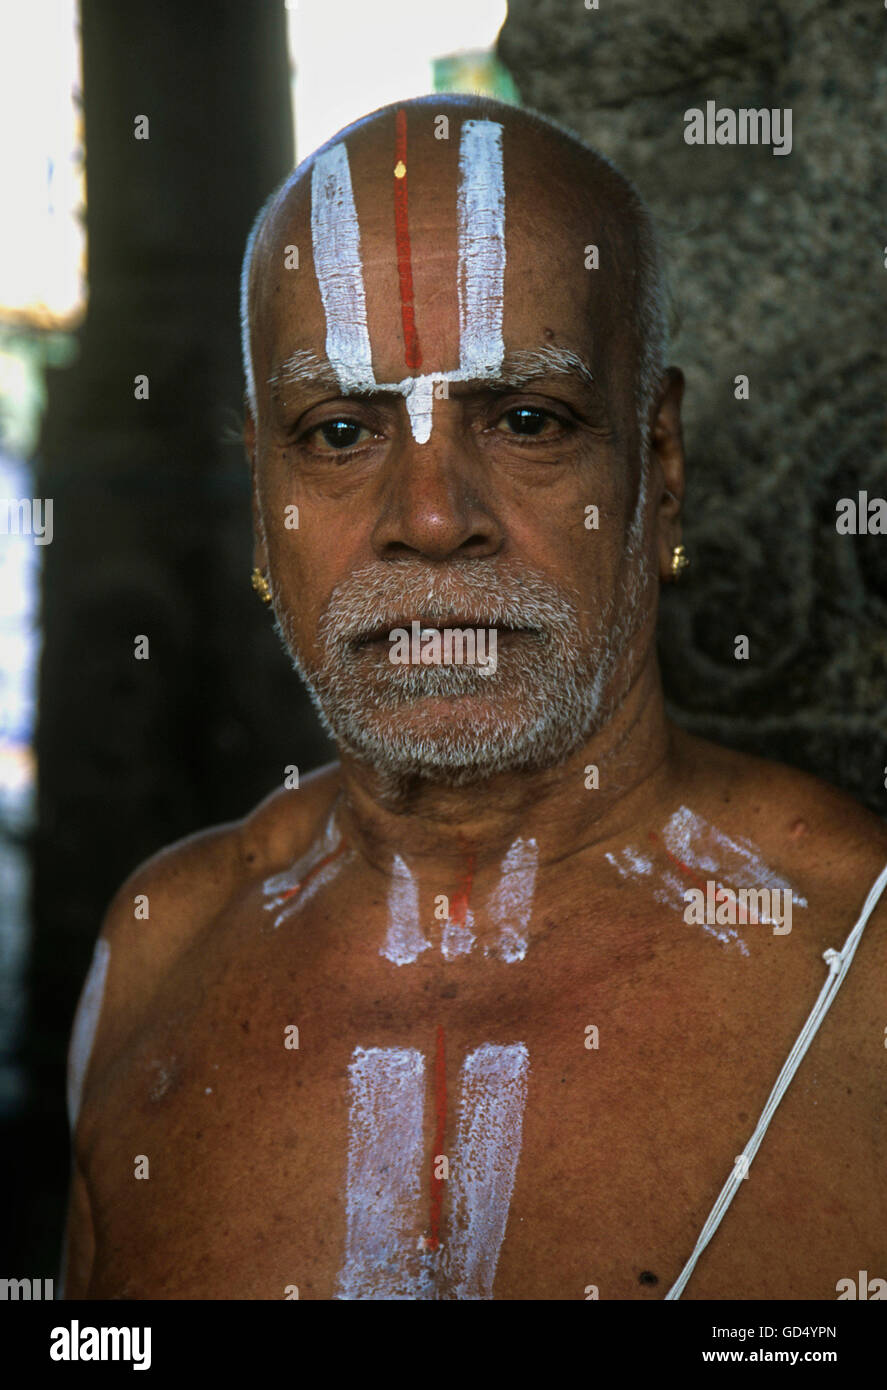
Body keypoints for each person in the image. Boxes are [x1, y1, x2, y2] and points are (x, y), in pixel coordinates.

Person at [61, 92, 887, 1300]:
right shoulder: (159, 953)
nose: (434, 518)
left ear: (656, 466)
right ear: (260, 503)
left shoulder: (860, 972)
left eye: (525, 418)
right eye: (339, 431)